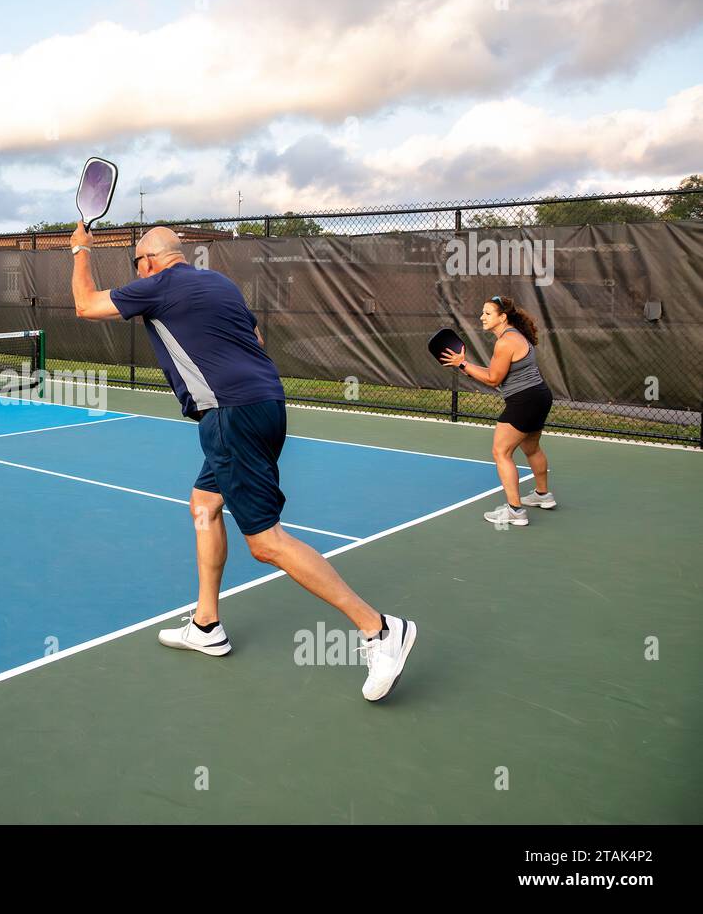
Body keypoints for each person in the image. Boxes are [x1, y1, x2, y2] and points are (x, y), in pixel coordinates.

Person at [69, 222, 416, 701]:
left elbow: (85, 305)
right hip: (264, 403)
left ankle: (379, 630)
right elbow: (253, 334)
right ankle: (206, 624)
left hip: (231, 415)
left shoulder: (158, 285)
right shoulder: (220, 283)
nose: (139, 274)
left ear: (148, 262)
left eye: (138, 265)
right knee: (204, 505)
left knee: (266, 542)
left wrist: (81, 250)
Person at [440, 295, 555, 526]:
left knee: (501, 453)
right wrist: (466, 366)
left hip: (524, 401)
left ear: (502, 317)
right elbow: (496, 372)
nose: (481, 317)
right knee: (531, 448)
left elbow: (493, 379)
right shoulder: (515, 336)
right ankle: (543, 496)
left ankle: (515, 511)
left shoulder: (505, 342)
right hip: (540, 396)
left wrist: (462, 364)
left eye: (487, 313)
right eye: (482, 312)